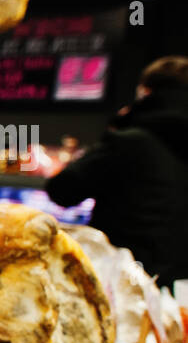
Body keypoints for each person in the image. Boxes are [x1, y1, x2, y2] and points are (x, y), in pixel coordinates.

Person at [46, 56, 188, 283]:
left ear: (145, 93)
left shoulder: (130, 141)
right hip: (177, 290)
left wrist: (115, 130)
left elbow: (62, 189)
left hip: (120, 284)